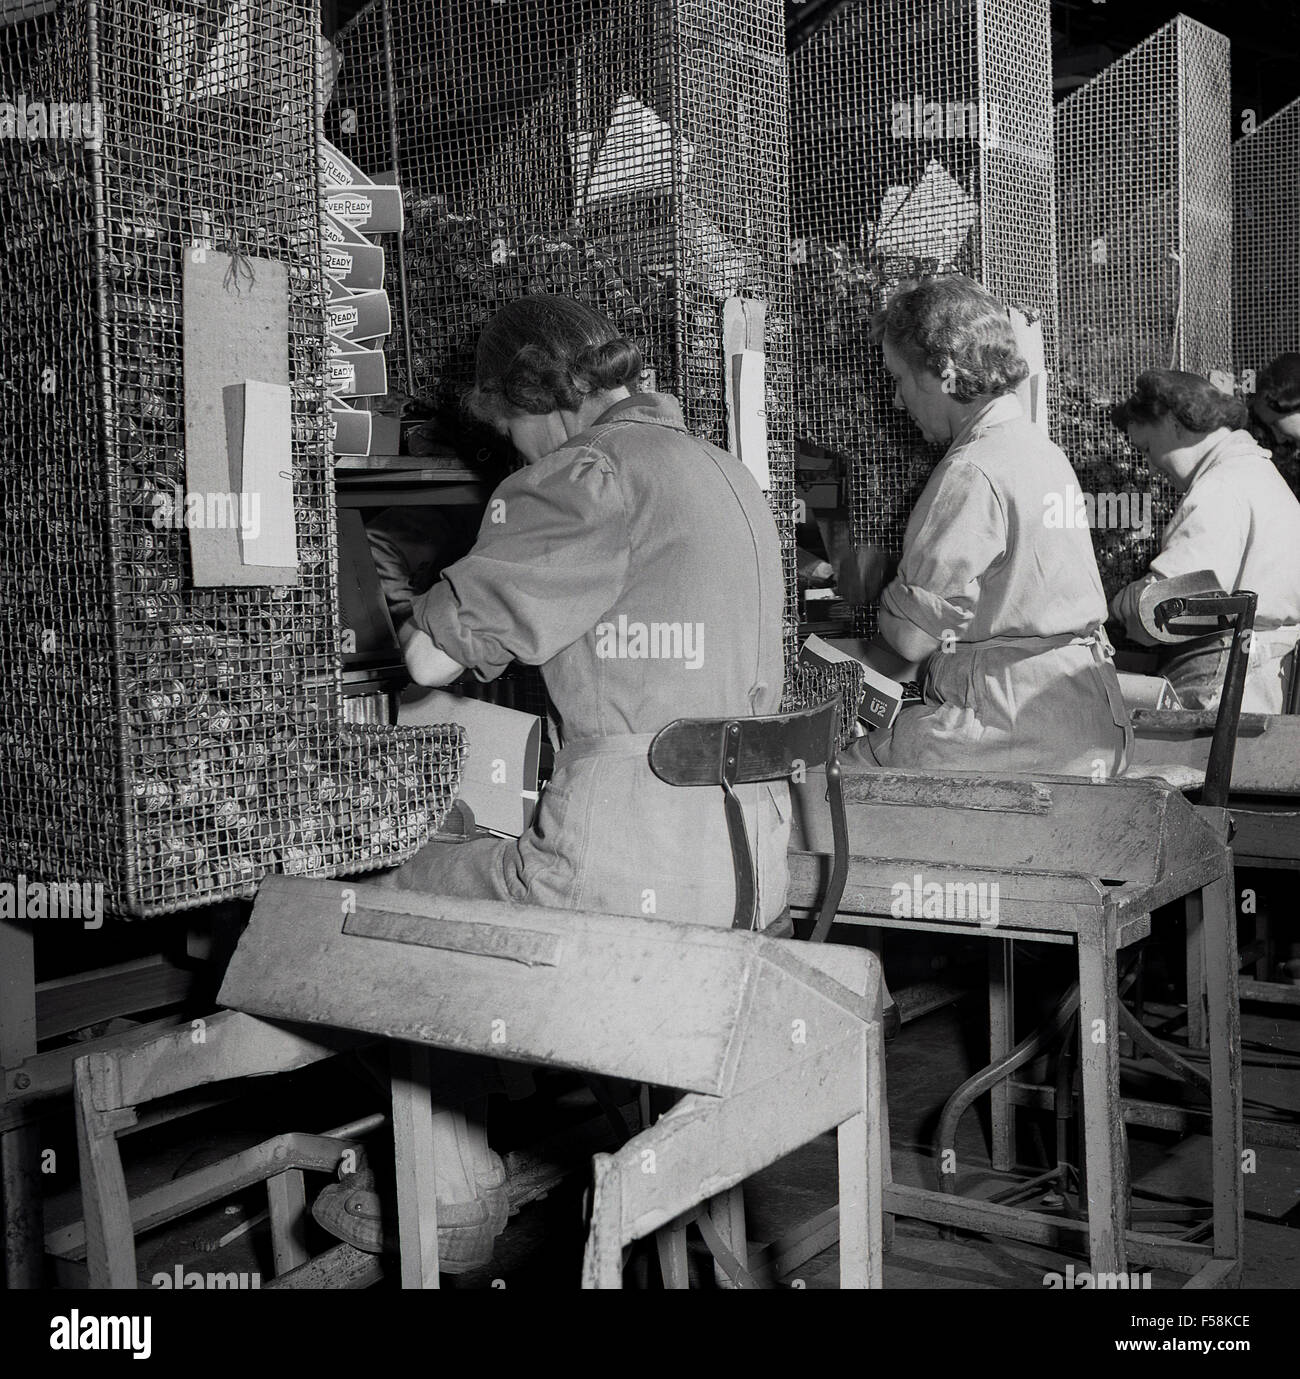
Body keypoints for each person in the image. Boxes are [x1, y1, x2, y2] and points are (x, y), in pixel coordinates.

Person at [315, 295, 791, 1271]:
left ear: (535, 398)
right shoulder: (726, 471)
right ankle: (498, 1112)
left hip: (623, 888)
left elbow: (437, 659)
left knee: (367, 891)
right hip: (753, 876)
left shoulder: (584, 473)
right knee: (477, 848)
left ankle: (449, 1185)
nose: (514, 455)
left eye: (509, 430)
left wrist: (430, 611)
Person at [845, 275, 1130, 775]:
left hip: (1011, 729)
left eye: (899, 378)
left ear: (943, 371)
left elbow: (911, 642)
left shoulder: (971, 469)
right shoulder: (1039, 449)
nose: (897, 400)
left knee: (824, 785)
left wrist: (863, 629)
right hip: (1088, 721)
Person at [1109, 369, 1300, 713]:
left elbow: (1168, 610)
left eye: (1148, 448)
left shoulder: (1220, 488)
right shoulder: (1256, 472)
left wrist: (1122, 603)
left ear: (1173, 422)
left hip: (1223, 682)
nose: (1151, 467)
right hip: (1262, 677)